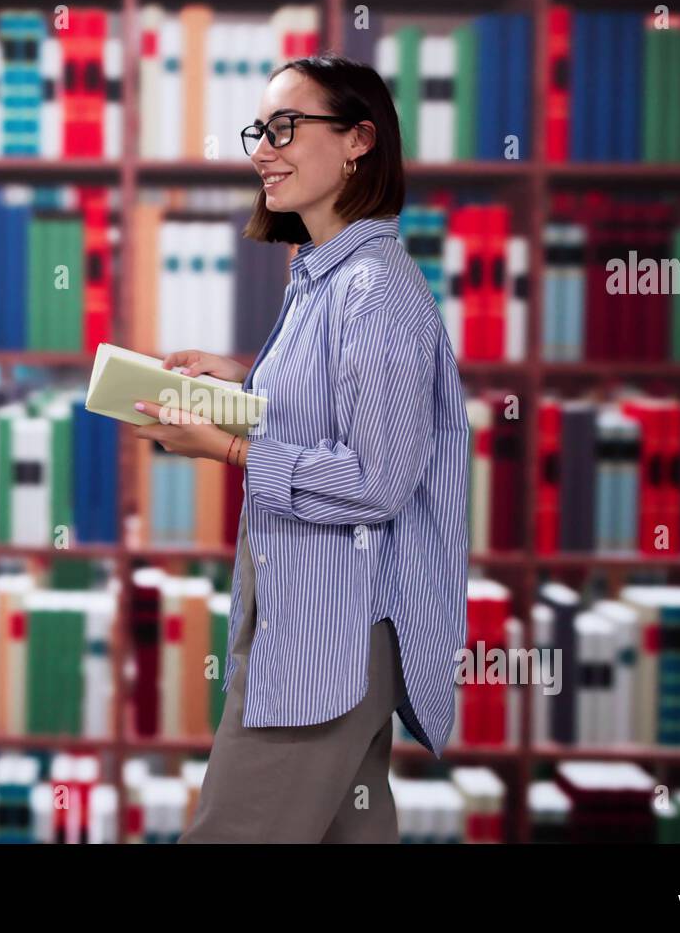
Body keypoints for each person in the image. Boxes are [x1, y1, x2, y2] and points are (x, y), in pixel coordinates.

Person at [132, 53, 469, 843]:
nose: (261, 149)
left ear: (359, 140)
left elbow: (376, 481)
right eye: (260, 129)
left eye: (286, 127)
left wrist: (226, 448)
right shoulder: (322, 279)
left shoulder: (375, 288)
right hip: (315, 626)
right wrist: (244, 387)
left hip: (331, 643)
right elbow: (331, 416)